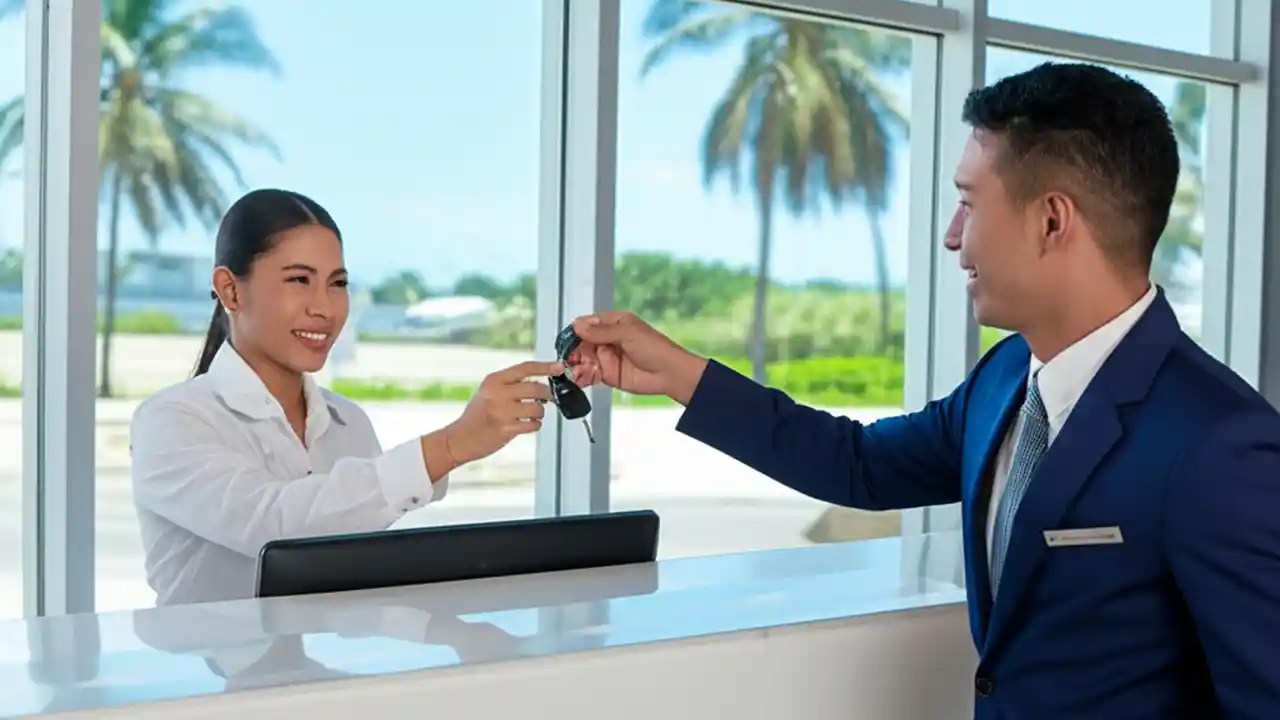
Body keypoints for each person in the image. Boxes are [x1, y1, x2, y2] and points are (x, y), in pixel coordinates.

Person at [567, 62, 1280, 718]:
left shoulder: (1221, 444)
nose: (951, 236)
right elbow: (860, 463)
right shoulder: (1005, 376)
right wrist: (682, 377)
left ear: (1052, 220)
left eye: (970, 203)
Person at [129, 188, 560, 607]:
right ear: (230, 290)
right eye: (299, 280)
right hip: (198, 678)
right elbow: (277, 528)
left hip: (331, 677)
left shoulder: (347, 421)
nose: (325, 307)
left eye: (338, 283)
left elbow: (360, 576)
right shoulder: (171, 420)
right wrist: (451, 445)